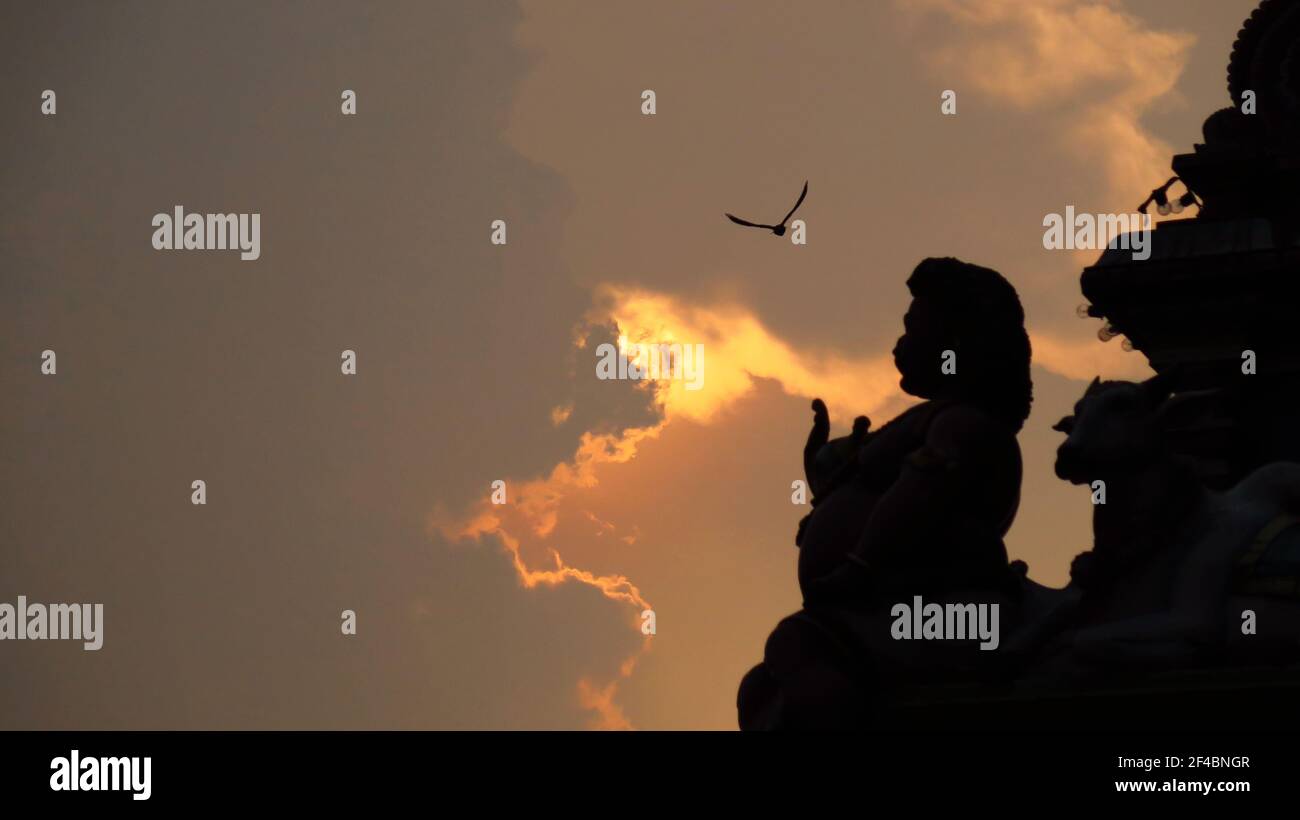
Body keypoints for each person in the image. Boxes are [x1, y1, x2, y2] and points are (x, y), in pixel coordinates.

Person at [739, 257, 1033, 729]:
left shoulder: (964, 422)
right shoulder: (935, 417)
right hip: (881, 607)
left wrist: (859, 566)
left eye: (915, 328)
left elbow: (923, 490)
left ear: (958, 341)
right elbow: (883, 491)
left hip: (928, 609)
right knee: (763, 686)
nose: (901, 343)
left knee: (794, 647)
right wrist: (830, 481)